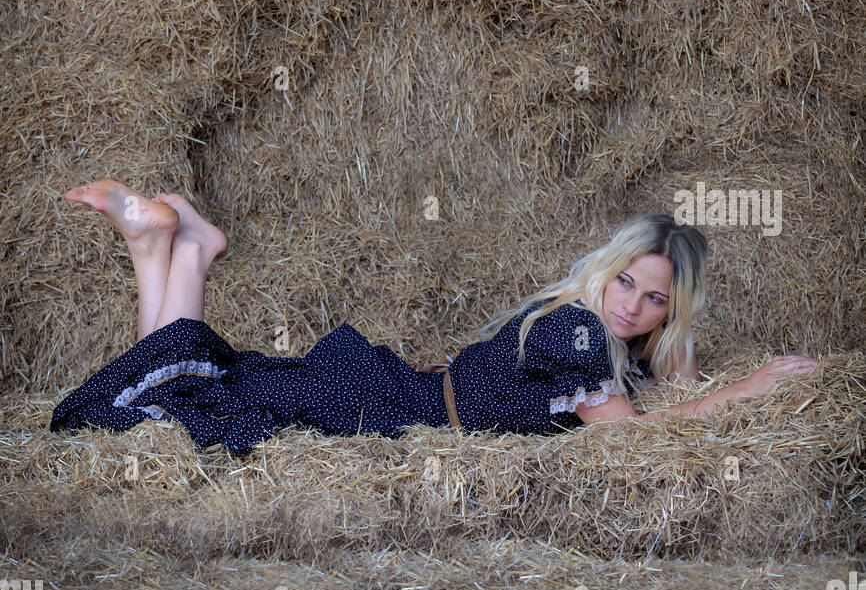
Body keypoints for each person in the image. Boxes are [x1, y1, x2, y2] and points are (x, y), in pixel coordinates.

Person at [50, 185, 819, 457]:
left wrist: (681, 351)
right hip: (387, 407)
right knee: (183, 407)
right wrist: (745, 392)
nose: (632, 306)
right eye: (626, 282)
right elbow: (626, 440)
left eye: (656, 301)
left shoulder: (601, 341)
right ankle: (168, 252)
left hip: (394, 389)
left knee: (207, 383)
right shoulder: (580, 331)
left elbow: (670, 387)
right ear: (605, 270)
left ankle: (174, 255)